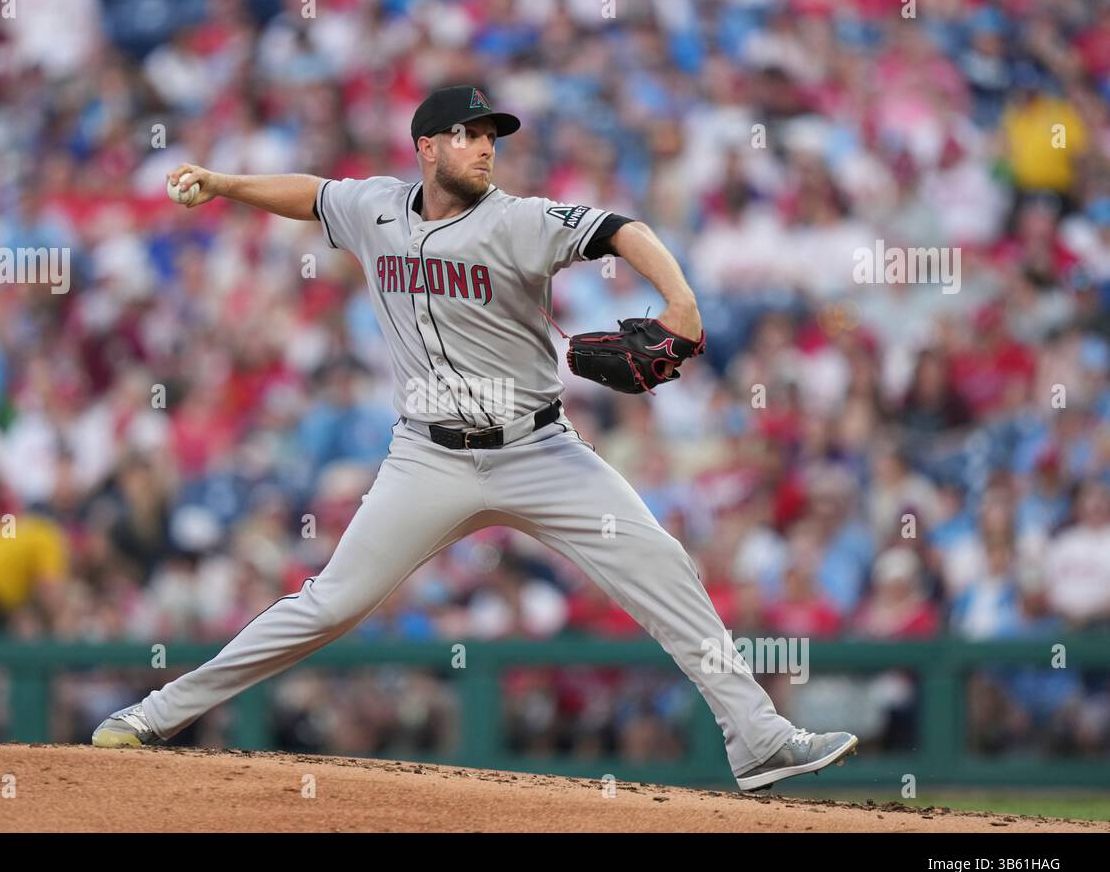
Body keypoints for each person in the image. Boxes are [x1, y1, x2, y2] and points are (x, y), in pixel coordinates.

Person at [92, 86, 857, 791]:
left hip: (539, 451)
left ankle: (757, 739)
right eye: (468, 135)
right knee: (328, 605)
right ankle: (156, 714)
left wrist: (681, 300)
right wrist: (226, 183)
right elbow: (312, 195)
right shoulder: (376, 209)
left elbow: (625, 230)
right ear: (427, 147)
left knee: (661, 567)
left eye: (492, 136)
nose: (486, 148)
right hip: (427, 457)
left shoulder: (515, 219)